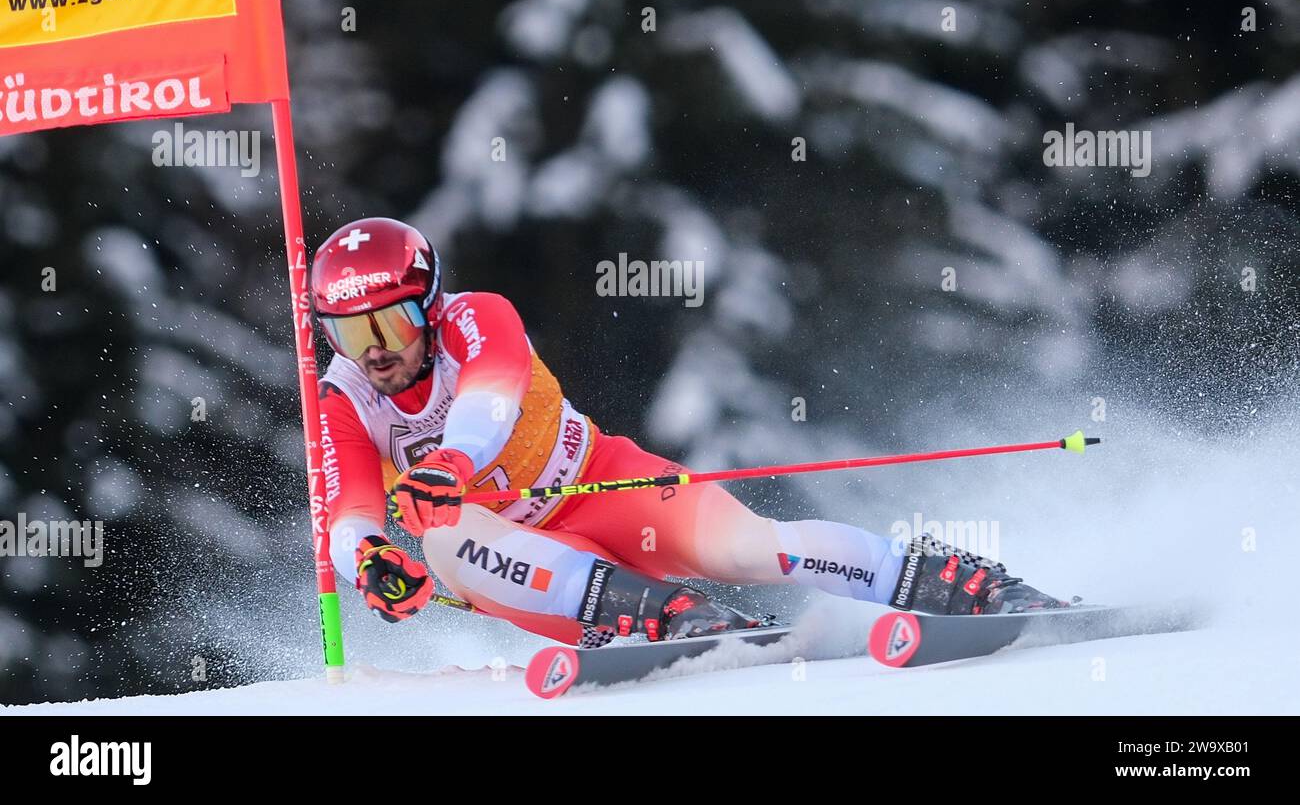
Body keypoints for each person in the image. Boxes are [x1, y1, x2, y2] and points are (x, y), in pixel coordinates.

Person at [312, 217, 1066, 645]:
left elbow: (494, 399)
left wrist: (449, 460)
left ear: (430, 305)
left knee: (750, 548)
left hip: (605, 483)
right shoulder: (345, 397)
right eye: (350, 333)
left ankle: (955, 582)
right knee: (444, 539)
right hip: (526, 564)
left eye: (390, 320)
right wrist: (371, 562)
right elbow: (347, 514)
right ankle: (661, 617)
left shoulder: (479, 317)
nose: (374, 347)